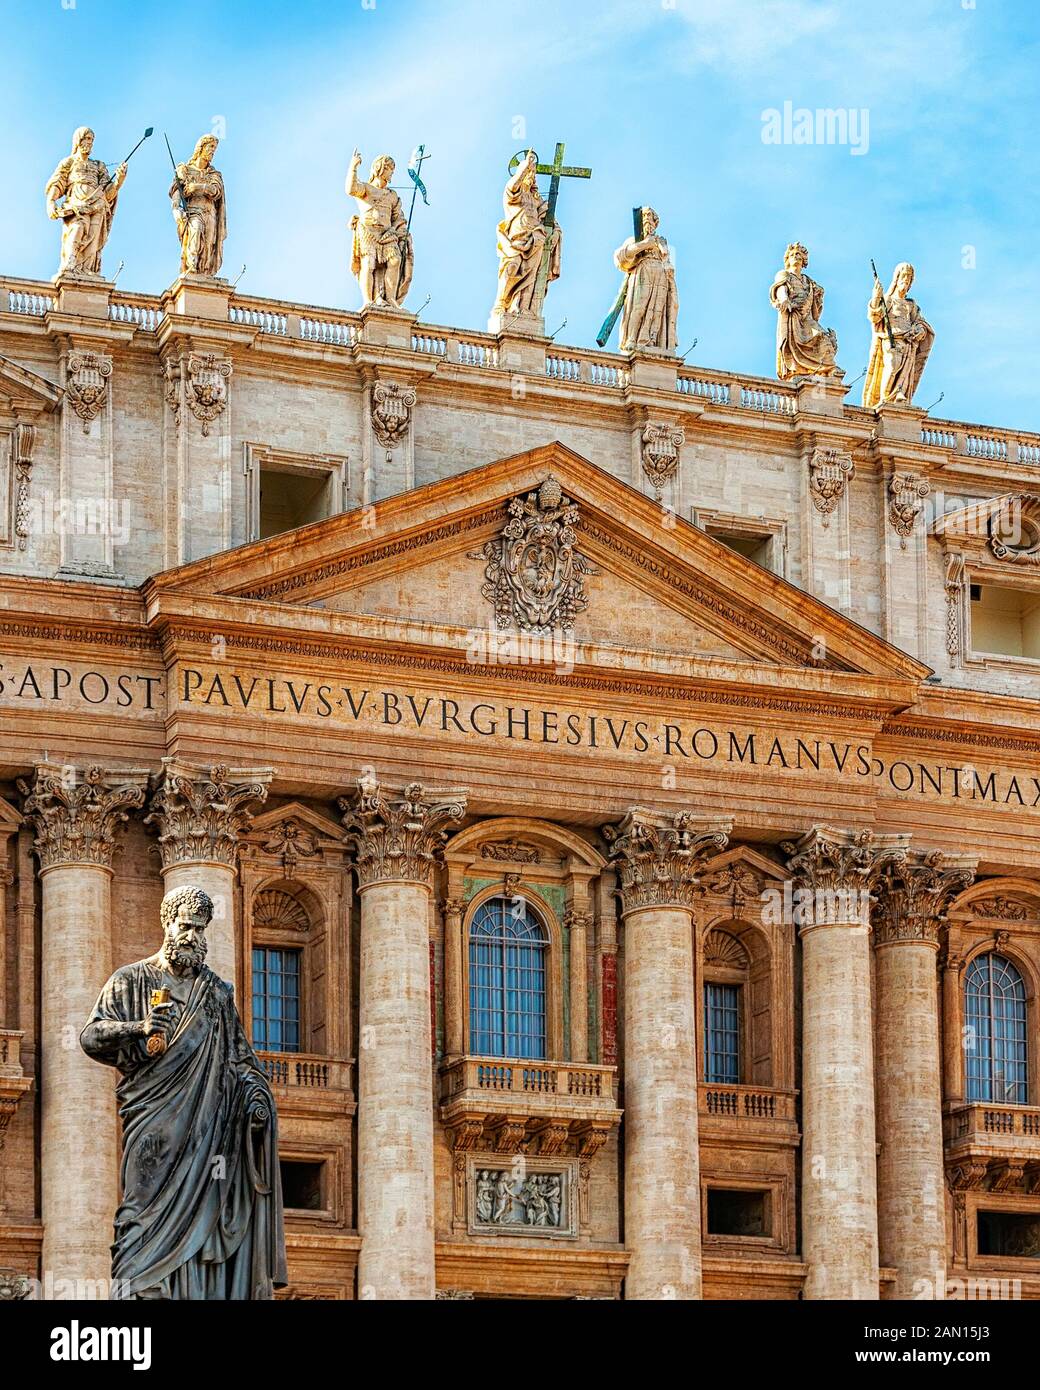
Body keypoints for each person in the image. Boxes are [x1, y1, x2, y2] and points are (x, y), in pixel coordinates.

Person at [80, 884, 287, 1299]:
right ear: (167, 923)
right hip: (153, 1121)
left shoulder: (216, 994)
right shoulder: (132, 979)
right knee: (139, 1212)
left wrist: (257, 1099)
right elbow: (91, 1036)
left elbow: (240, 1059)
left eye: (200, 928)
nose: (193, 936)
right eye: (186, 926)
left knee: (207, 1210)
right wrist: (138, 1028)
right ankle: (140, 1290)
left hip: (210, 1127)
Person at [45, 126, 126, 276]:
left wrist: (119, 181)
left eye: (92, 140)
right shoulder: (68, 162)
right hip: (77, 205)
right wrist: (51, 201)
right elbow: (58, 183)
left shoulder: (98, 165)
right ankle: (70, 266)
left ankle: (87, 271)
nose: (90, 143)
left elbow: (108, 193)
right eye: (87, 139)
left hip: (97, 206)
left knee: (93, 241)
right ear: (78, 140)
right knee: (77, 230)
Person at [346, 150, 413, 307]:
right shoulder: (367, 189)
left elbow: (398, 219)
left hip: (388, 234)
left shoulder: (393, 196)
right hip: (368, 231)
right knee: (369, 263)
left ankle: (390, 299)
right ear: (381, 168)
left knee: (395, 261)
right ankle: (368, 301)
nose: (392, 174)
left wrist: (401, 231)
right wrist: (353, 166)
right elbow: (351, 188)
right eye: (390, 170)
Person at [170, 134, 227, 277]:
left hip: (210, 213)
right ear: (201, 148)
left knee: (208, 247)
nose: (213, 151)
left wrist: (197, 187)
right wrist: (176, 210)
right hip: (194, 212)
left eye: (215, 148)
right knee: (195, 233)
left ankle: (204, 276)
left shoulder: (214, 174)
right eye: (211, 147)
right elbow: (177, 192)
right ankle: (192, 271)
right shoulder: (185, 170)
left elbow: (216, 191)